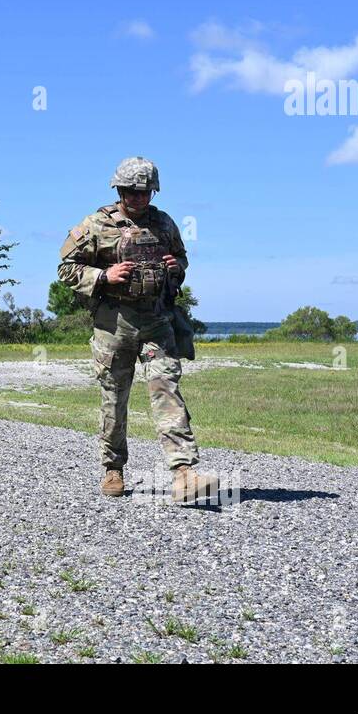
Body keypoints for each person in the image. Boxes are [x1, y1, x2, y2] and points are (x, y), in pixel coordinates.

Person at [57, 157, 218, 503]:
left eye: (145, 192)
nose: (139, 198)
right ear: (119, 190)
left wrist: (177, 267)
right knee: (115, 399)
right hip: (114, 325)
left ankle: (183, 473)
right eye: (131, 192)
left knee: (166, 388)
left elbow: (181, 258)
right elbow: (66, 268)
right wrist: (103, 276)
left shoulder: (164, 224)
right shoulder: (97, 224)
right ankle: (113, 468)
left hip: (157, 321)